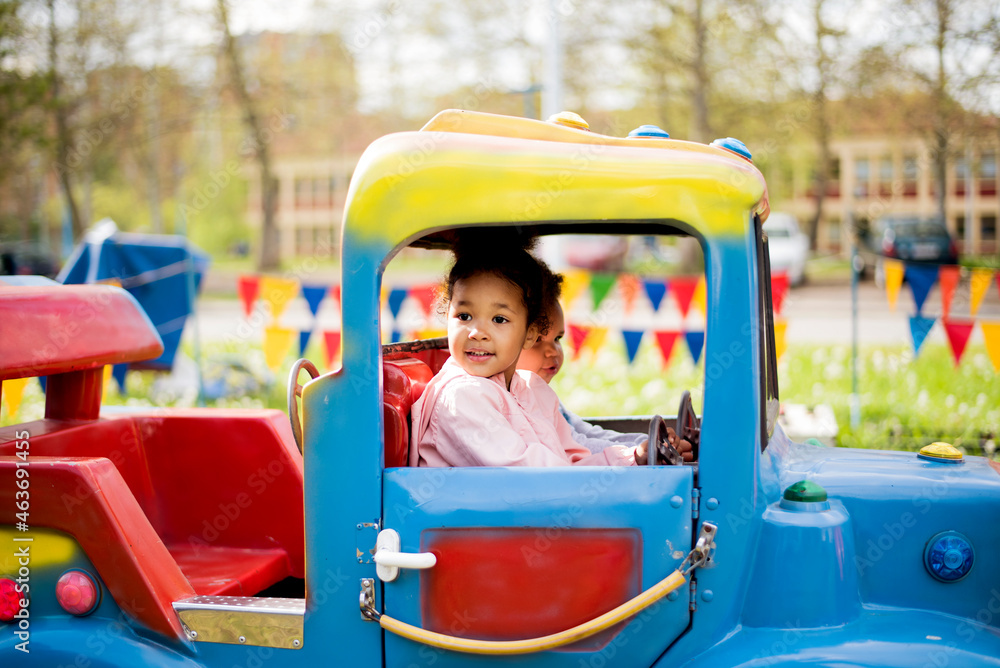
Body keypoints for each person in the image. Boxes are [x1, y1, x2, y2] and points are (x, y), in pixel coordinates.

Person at [409, 233, 645, 468]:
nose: (476, 332)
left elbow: (573, 459)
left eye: (499, 319)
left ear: (529, 333)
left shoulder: (532, 389)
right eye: (464, 316)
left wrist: (634, 458)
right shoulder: (462, 398)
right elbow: (533, 477)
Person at [518, 267, 693, 461]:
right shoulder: (520, 404)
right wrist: (640, 452)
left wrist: (653, 442)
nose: (553, 351)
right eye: (536, 341)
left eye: (557, 338)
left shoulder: (545, 398)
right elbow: (579, 445)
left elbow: (592, 434)